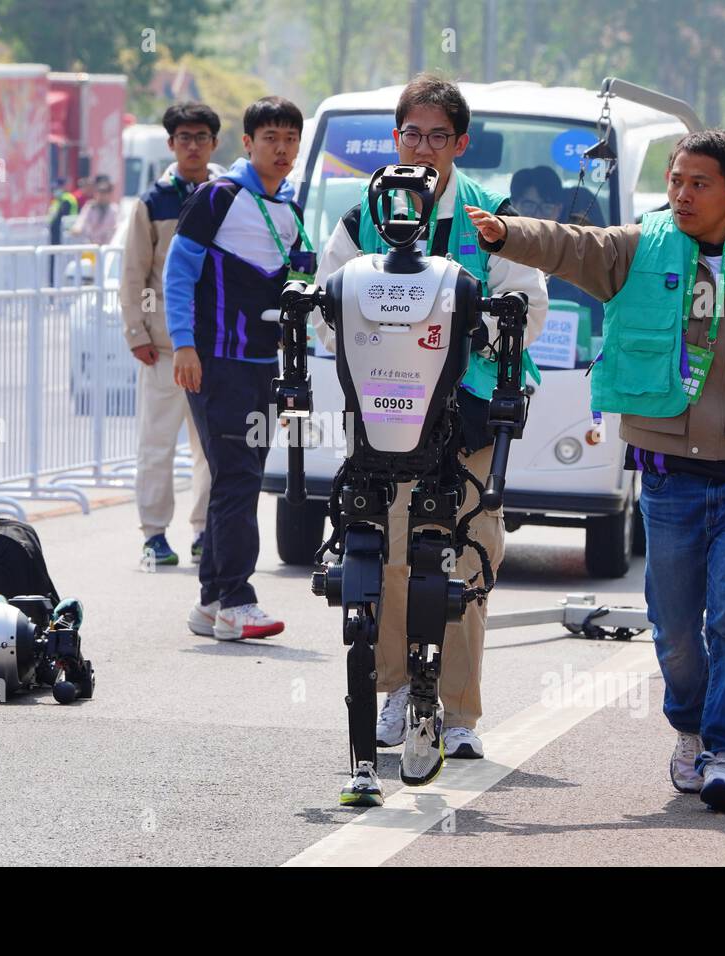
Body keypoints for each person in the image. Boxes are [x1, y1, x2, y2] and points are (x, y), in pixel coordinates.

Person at [468, 129, 725, 812]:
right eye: (675, 179)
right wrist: (505, 235)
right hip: (667, 477)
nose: (682, 194)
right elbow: (570, 245)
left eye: (699, 183)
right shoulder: (640, 249)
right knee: (673, 626)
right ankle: (691, 731)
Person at [312, 74, 549, 762]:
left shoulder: (490, 215)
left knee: (466, 556)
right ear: (395, 139)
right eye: (411, 133)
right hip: (389, 417)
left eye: (437, 135)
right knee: (388, 552)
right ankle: (393, 694)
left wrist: (462, 337)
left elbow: (528, 306)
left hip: (470, 416)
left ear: (461, 143)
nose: (423, 145)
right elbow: (332, 308)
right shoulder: (363, 214)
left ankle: (459, 711)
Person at [164, 96, 307, 642]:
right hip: (215, 362)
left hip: (263, 364)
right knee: (238, 478)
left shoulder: (290, 206)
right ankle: (236, 599)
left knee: (238, 477)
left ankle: (210, 601)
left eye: (290, 138)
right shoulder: (218, 197)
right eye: (270, 137)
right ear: (247, 144)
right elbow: (177, 273)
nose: (281, 148)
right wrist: (183, 346)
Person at [122, 102, 219, 566]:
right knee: (157, 445)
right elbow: (134, 272)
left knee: (212, 449)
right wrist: (137, 332)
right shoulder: (153, 201)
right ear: (171, 144)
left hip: (217, 348)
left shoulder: (228, 195)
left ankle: (205, 531)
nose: (193, 145)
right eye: (185, 138)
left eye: (201, 137)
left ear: (214, 143)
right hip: (162, 349)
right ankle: (154, 534)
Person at [71, 174, 118, 246]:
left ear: (109, 194)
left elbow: (119, 226)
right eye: (98, 192)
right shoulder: (90, 207)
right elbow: (81, 220)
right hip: (91, 247)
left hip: (108, 248)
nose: (101, 196)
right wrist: (77, 228)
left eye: (104, 193)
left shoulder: (114, 210)